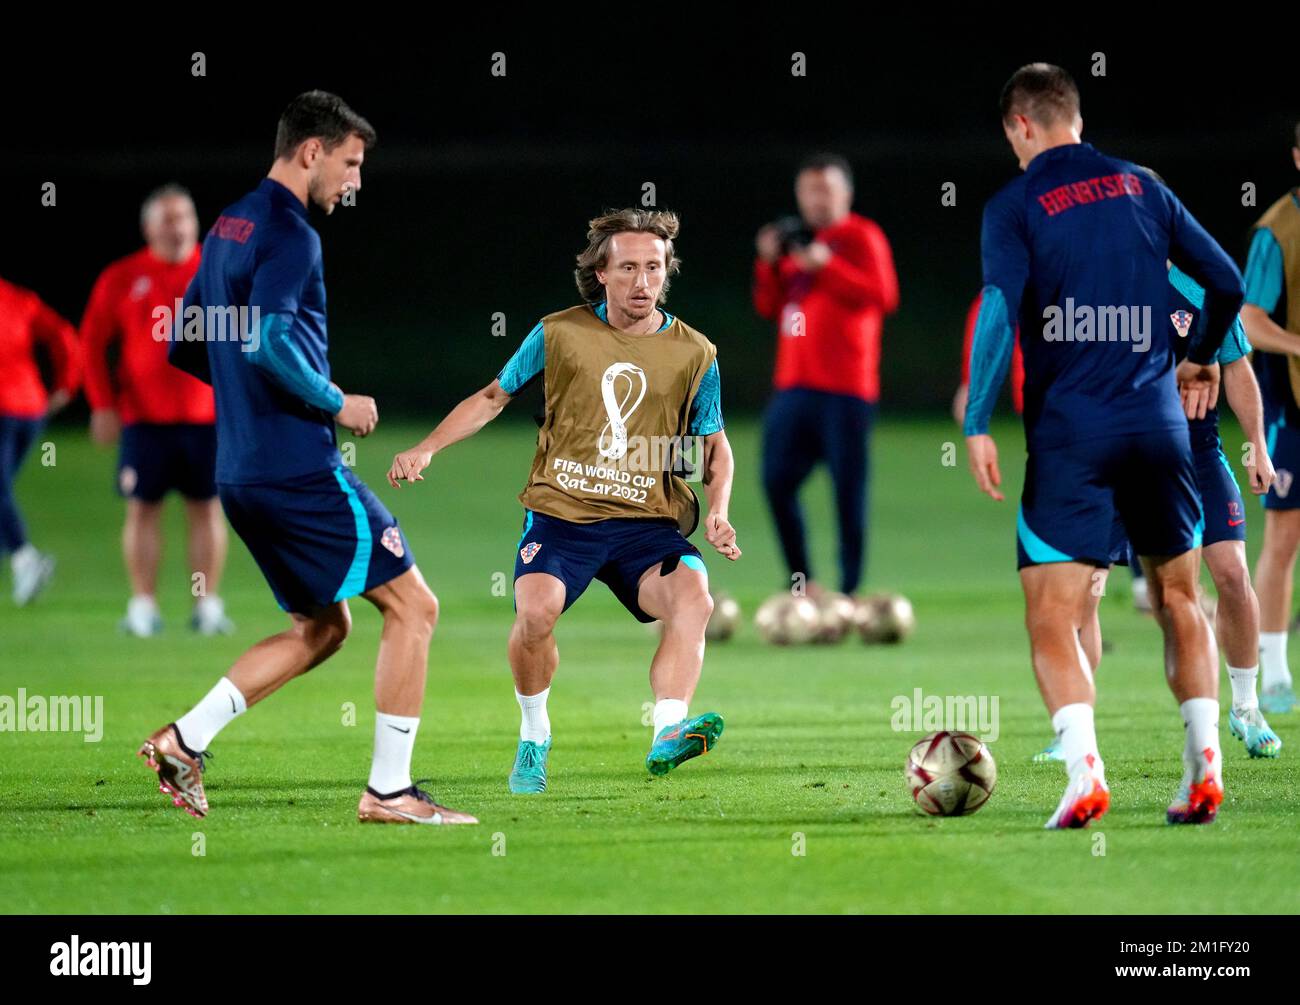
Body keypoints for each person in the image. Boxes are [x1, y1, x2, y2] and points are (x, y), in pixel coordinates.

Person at [138, 91, 476, 827]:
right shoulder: (292, 233)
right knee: (415, 607)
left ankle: (182, 740)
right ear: (312, 151)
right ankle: (389, 791)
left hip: (240, 472)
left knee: (324, 628)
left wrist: (246, 405)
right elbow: (263, 341)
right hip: (297, 468)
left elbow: (188, 340)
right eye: (351, 164)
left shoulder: (228, 223)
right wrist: (333, 401)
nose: (355, 182)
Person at [965, 64, 1245, 827]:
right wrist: (1201, 356)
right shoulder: (1141, 185)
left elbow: (997, 309)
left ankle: (1085, 771)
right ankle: (1202, 771)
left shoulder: (1014, 202)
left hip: (1071, 435)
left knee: (1052, 615)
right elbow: (1223, 281)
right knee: (1180, 598)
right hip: (1160, 430)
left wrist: (978, 419)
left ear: (1019, 126)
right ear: (1074, 117)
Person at [389, 208, 740, 794]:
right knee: (534, 615)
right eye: (627, 267)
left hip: (645, 524)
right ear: (600, 272)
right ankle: (534, 735)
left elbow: (715, 446)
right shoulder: (560, 332)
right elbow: (493, 395)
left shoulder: (696, 352)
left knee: (693, 598)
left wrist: (720, 510)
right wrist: (428, 448)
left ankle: (668, 732)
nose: (641, 282)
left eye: (653, 268)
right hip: (563, 516)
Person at [1033, 260, 1281, 764]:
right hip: (1115, 461)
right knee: (1086, 593)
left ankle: (1248, 707)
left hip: (1196, 456)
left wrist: (1257, 443)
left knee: (1232, 573)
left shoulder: (1199, 294)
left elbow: (1237, 368)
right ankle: (1074, 730)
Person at [82, 184, 232, 636]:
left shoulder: (220, 269)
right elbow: (90, 344)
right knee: (142, 509)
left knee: (207, 509)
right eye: (167, 219)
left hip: (208, 417)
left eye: (184, 217)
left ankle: (206, 605)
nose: (178, 227)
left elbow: (251, 338)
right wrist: (103, 404)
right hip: (144, 420)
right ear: (148, 227)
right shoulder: (123, 276)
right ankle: (143, 605)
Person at [753, 153, 898, 598]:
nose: (817, 199)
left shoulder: (861, 236)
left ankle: (850, 594)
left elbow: (884, 295)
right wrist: (767, 261)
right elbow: (769, 306)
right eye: (810, 190)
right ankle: (803, 582)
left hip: (847, 388)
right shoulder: (797, 244)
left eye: (827, 190)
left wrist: (826, 266)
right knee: (776, 478)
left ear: (846, 194)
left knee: (847, 492)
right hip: (794, 385)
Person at [1241, 122, 1300, 715]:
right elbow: (1250, 320)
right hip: (1291, 404)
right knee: (1284, 537)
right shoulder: (1277, 229)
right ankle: (1276, 675)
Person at [0, 276, 80, 605]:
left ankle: (24, 558)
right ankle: (23, 559)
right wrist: (66, 384)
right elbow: (63, 334)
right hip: (29, 408)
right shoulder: (18, 297)